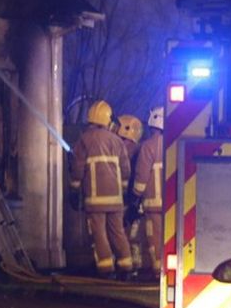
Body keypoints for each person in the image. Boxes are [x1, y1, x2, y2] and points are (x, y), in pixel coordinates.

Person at [70, 100, 134, 278]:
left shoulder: (84, 139)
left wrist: (74, 189)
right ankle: (126, 267)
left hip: (95, 199)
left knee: (99, 233)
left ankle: (106, 270)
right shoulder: (116, 140)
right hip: (116, 200)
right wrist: (124, 192)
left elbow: (77, 168)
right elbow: (125, 169)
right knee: (118, 232)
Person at [130, 107, 164, 279]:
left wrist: (135, 194)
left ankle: (159, 272)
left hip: (153, 204)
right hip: (174, 204)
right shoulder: (173, 143)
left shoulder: (148, 146)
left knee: (154, 239)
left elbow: (142, 176)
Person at [116, 114, 144, 271]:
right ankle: (131, 267)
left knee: (132, 237)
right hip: (125, 201)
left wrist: (134, 201)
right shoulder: (135, 151)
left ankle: (134, 268)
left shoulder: (135, 153)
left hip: (132, 202)